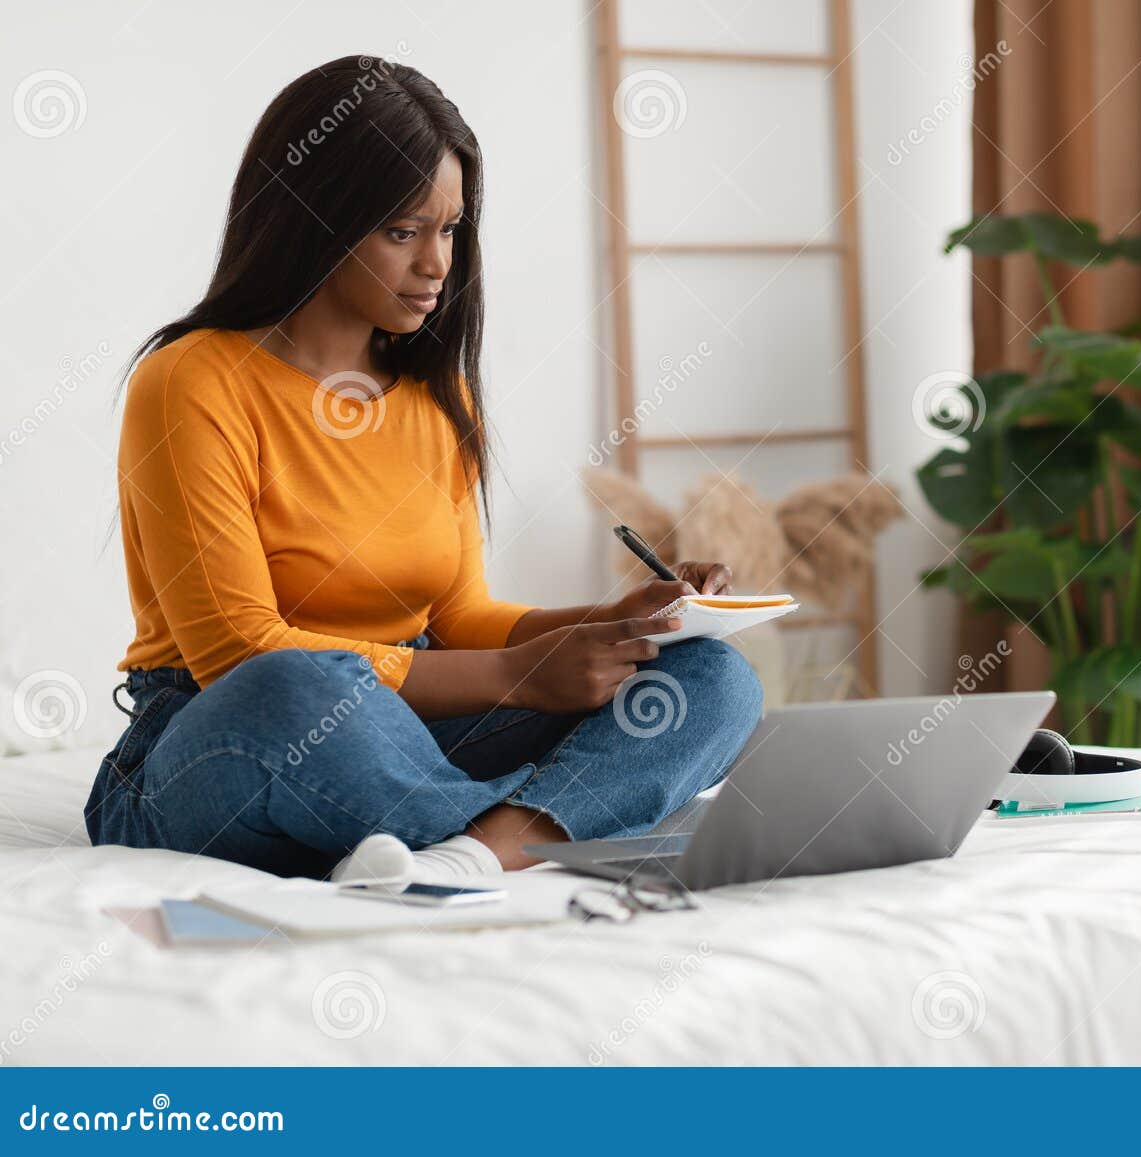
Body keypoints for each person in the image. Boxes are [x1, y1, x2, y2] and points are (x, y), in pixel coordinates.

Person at [84, 55, 764, 882]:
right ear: (314, 220)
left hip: (407, 730)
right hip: (223, 734)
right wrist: (518, 677)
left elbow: (459, 611)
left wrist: (617, 621)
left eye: (450, 230)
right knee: (297, 689)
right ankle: (559, 818)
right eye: (403, 232)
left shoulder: (435, 397)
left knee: (711, 675)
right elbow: (238, 652)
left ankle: (474, 853)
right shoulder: (191, 380)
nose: (437, 264)